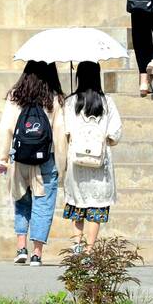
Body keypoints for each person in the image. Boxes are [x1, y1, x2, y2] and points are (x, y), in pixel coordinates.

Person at [0, 61, 67, 266]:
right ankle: (37, 254)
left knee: (21, 200)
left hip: (19, 159)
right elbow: (60, 135)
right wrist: (62, 166)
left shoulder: (16, 96)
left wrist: (1, 157)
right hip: (46, 160)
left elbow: (6, 127)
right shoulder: (55, 98)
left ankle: (20, 247)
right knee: (43, 205)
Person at [61, 61, 123, 252]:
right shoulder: (107, 102)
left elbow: (66, 131)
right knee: (96, 206)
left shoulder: (71, 102)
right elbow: (115, 134)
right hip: (99, 162)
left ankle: (77, 245)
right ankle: (89, 249)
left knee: (77, 203)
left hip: (76, 161)